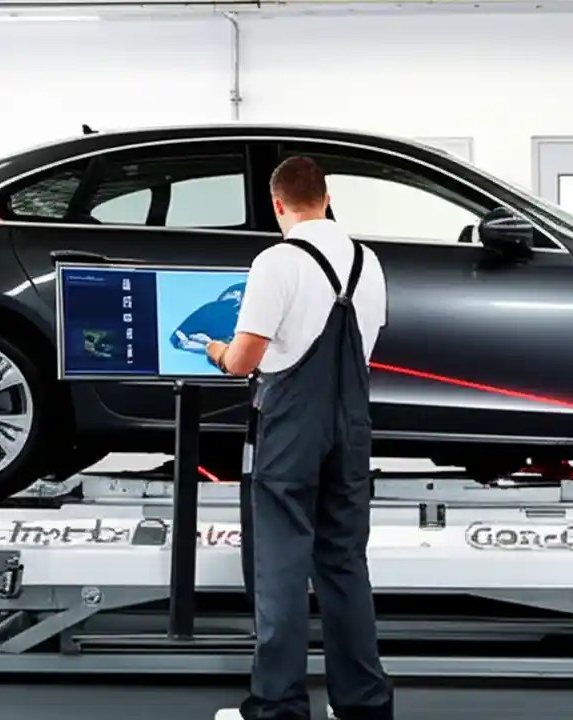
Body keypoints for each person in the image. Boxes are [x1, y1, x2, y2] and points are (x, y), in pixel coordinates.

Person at [206, 156, 394, 720]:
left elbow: (244, 360)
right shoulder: (368, 261)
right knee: (344, 562)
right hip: (351, 425)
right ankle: (362, 704)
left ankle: (278, 707)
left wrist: (213, 350)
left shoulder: (277, 261)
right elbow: (364, 349)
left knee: (280, 565)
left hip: (291, 427)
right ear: (328, 197)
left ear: (277, 204)